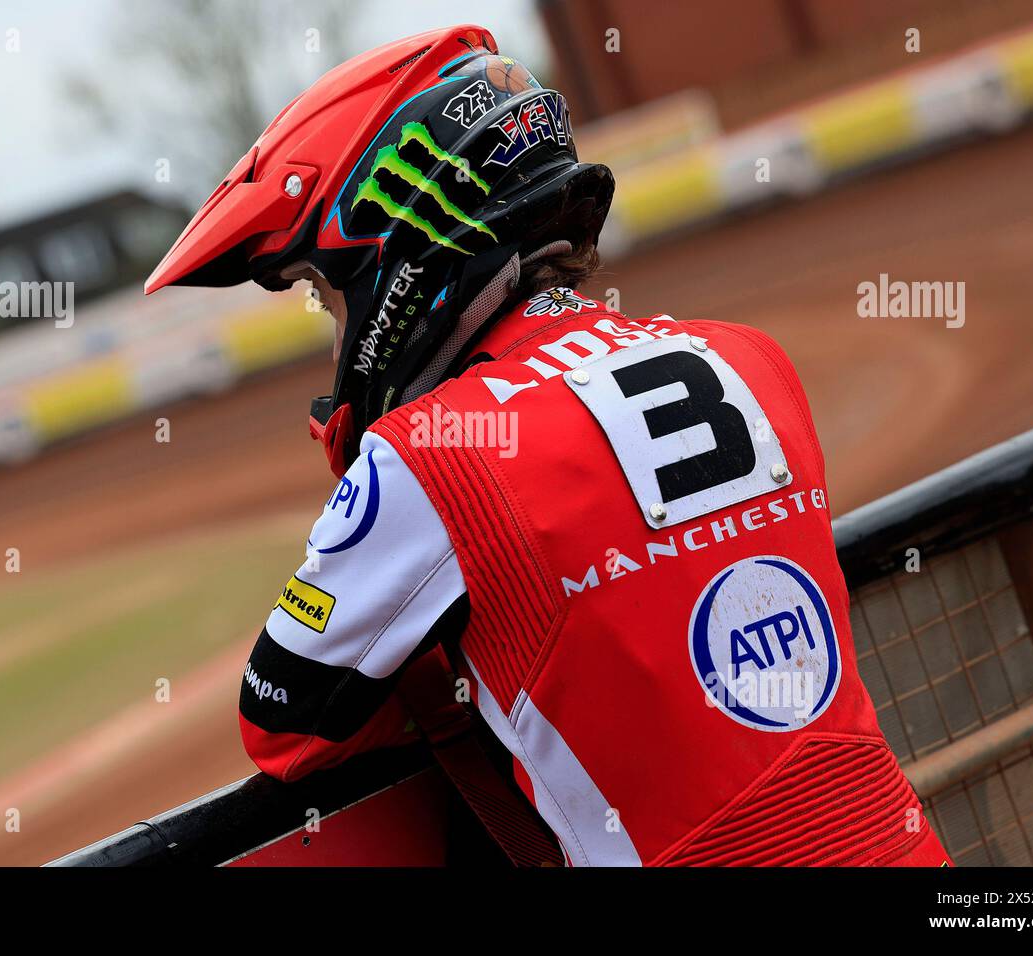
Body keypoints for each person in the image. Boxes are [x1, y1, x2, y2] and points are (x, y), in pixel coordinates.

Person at [145, 24, 950, 867]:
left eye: (324, 295)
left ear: (393, 250)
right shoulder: (748, 355)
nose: (334, 330)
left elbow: (283, 726)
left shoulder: (427, 452)